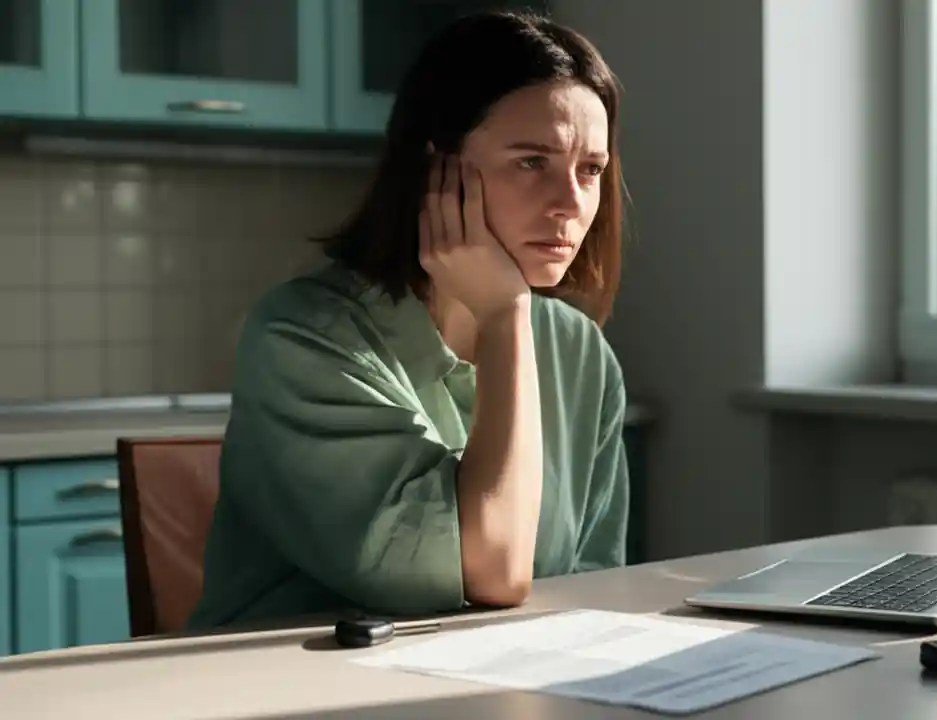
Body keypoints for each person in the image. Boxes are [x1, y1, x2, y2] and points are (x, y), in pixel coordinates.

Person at [187, 10, 629, 629]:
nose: (572, 203)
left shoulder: (580, 352)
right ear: (436, 170)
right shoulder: (302, 337)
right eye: (532, 162)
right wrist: (504, 316)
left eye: (591, 170)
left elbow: (590, 585)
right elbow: (492, 572)